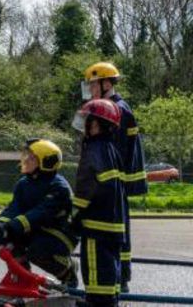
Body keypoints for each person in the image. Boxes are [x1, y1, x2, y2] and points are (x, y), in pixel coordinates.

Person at [0, 139, 78, 287]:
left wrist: (9, 229)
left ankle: (68, 271)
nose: (26, 160)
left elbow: (39, 215)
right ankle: (22, 275)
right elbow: (14, 208)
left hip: (61, 235)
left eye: (31, 158)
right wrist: (1, 225)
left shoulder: (58, 188)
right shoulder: (24, 183)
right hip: (36, 230)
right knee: (5, 237)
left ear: (46, 163)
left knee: (37, 250)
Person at [83, 61, 146, 291]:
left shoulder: (117, 110)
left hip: (111, 183)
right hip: (110, 182)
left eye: (93, 85)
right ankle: (119, 278)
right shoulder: (107, 108)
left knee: (114, 232)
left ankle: (120, 279)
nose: (90, 90)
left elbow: (116, 152)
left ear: (107, 83)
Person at [71, 98, 127, 306]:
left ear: (96, 124)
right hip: (114, 228)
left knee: (95, 280)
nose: (84, 125)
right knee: (110, 279)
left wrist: (76, 214)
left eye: (87, 120)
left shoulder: (92, 151)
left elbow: (86, 186)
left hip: (96, 228)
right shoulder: (111, 150)